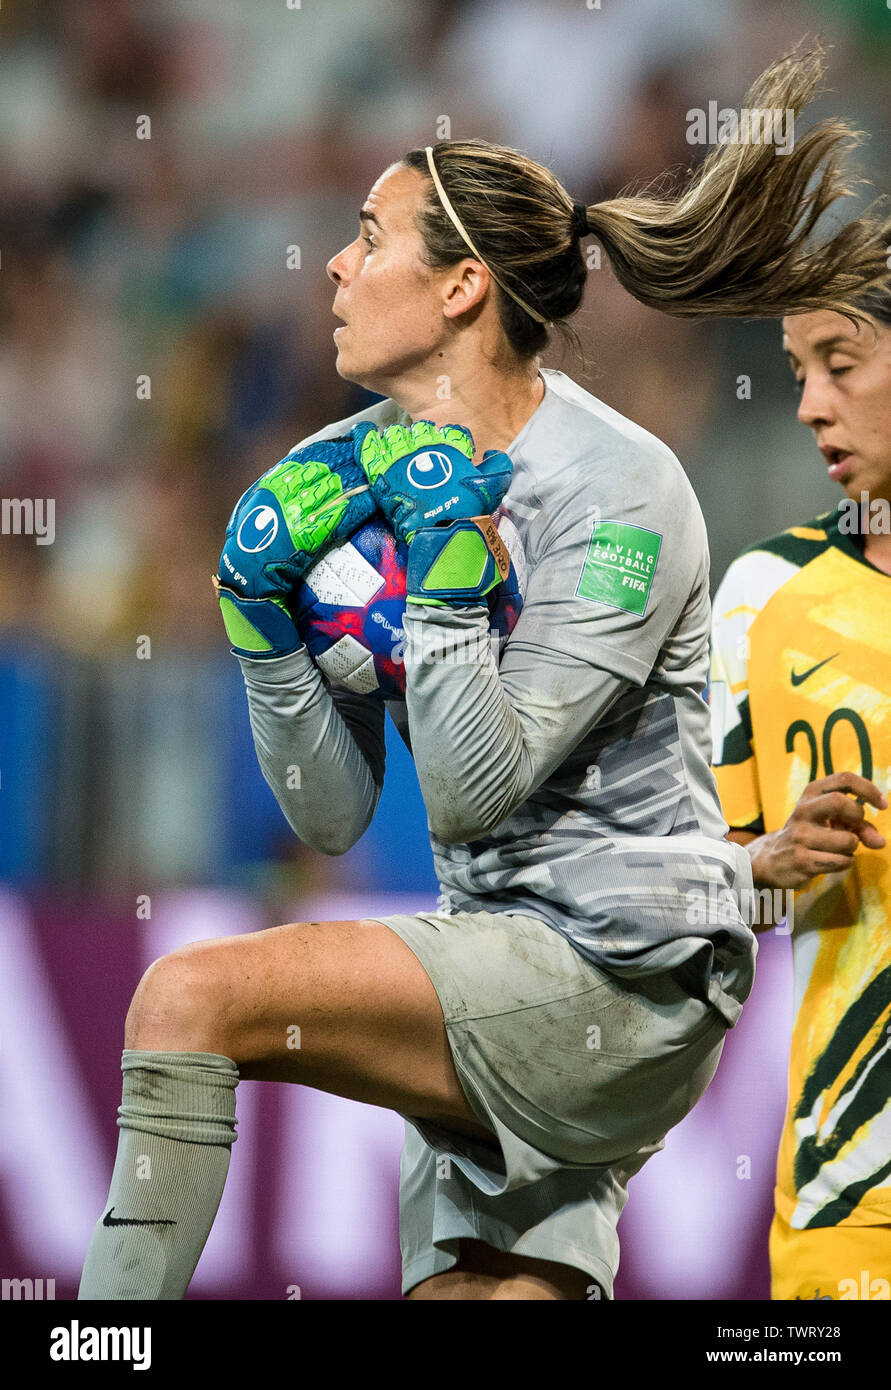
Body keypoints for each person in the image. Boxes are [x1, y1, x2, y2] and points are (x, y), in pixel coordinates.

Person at [79, 46, 887, 1301]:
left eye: (367, 236)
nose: (335, 267)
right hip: (497, 950)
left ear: (462, 286)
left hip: (624, 968)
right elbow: (332, 817)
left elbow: (470, 796)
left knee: (188, 995)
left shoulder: (621, 492)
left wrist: (451, 575)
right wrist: (260, 626)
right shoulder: (344, 469)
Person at [709, 246, 891, 1301]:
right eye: (796, 374)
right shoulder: (764, 598)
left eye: (841, 363)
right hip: (850, 1193)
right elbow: (713, 891)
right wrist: (772, 864)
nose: (810, 405)